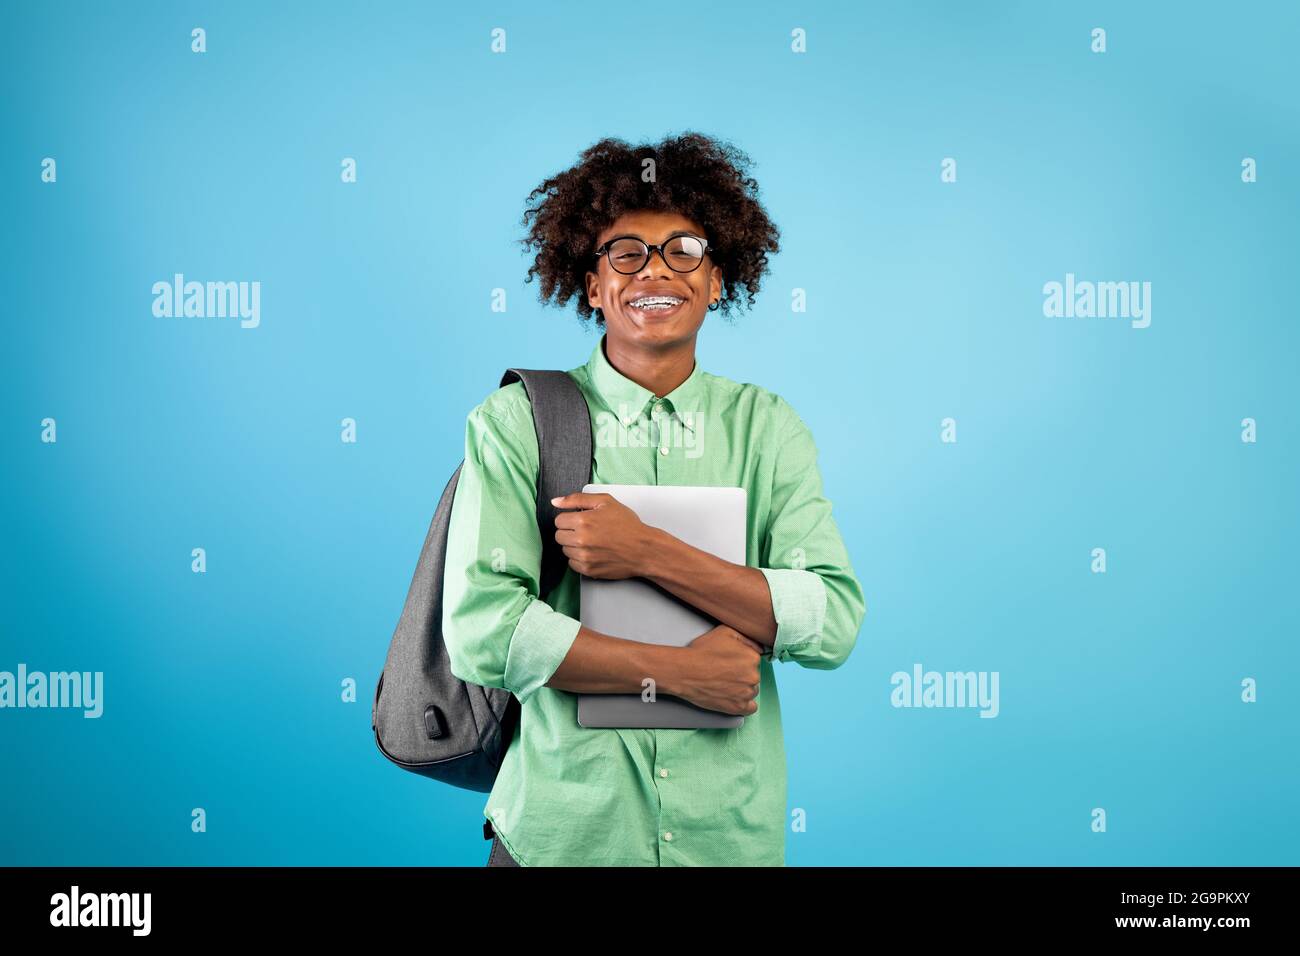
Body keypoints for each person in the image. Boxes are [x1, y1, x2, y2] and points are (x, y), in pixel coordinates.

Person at [442, 132, 867, 867]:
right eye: (626, 253)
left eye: (684, 251)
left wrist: (648, 551)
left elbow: (829, 622)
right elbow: (484, 631)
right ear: (593, 286)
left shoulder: (769, 429)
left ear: (717, 281)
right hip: (561, 834)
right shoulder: (518, 422)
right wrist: (675, 674)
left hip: (726, 839)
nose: (655, 272)